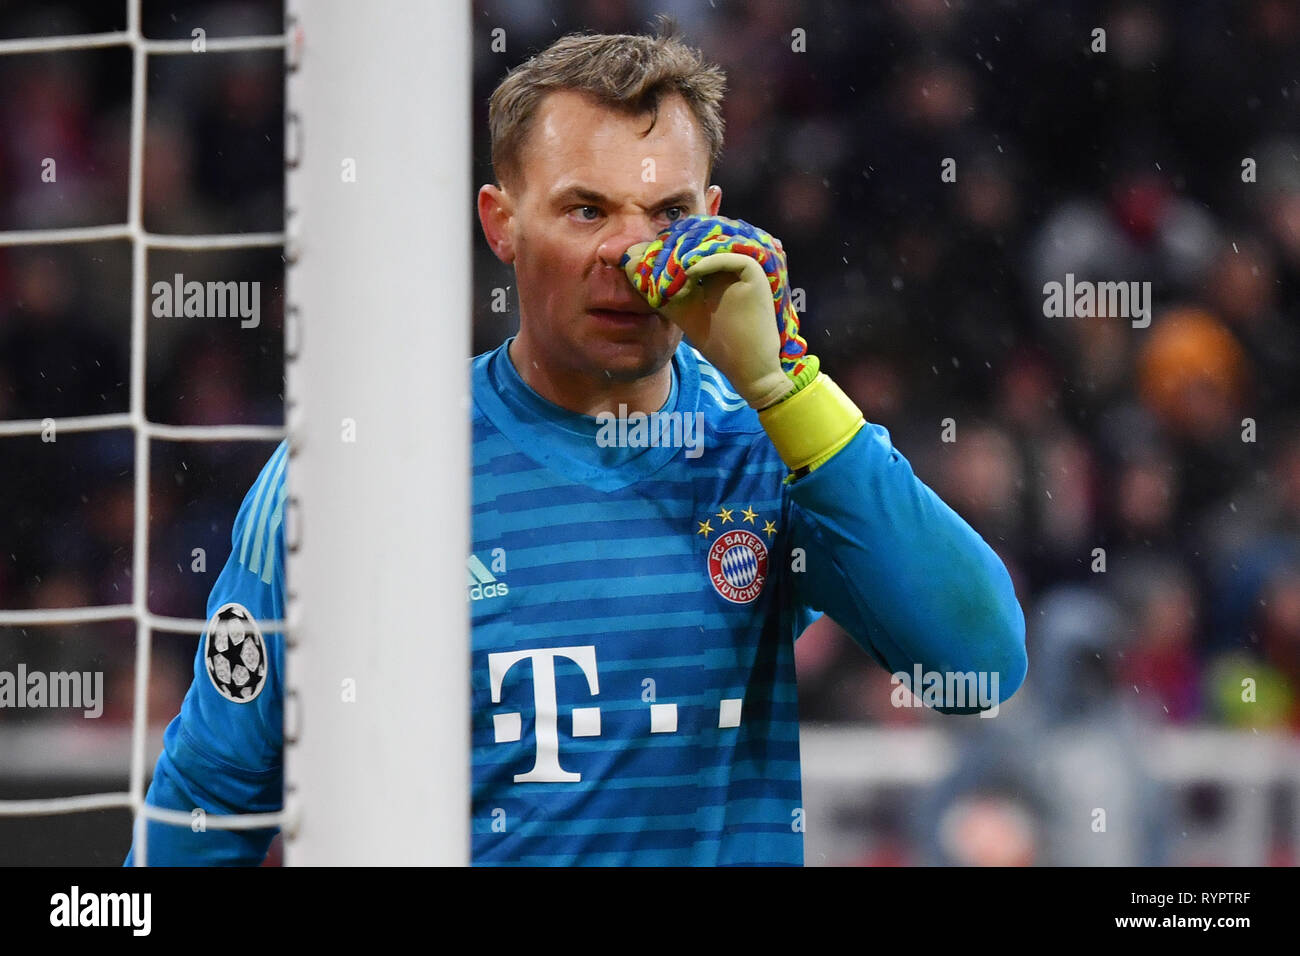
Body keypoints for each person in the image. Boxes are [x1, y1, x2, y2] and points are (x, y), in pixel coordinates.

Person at [127, 20, 1026, 867]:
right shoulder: (359, 476)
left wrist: (785, 384)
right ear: (500, 222)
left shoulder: (766, 447)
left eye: (668, 214)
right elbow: (209, 801)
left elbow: (977, 669)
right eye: (587, 211)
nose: (634, 258)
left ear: (714, 215)